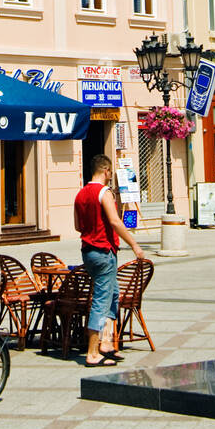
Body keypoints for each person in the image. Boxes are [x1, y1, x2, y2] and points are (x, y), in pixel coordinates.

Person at [74, 154, 146, 368]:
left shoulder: (80, 194)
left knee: (113, 293)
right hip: (103, 250)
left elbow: (77, 226)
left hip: (87, 251)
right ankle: (92, 352)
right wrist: (134, 244)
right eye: (109, 173)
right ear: (105, 171)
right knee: (102, 299)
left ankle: (107, 342)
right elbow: (115, 221)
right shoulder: (103, 193)